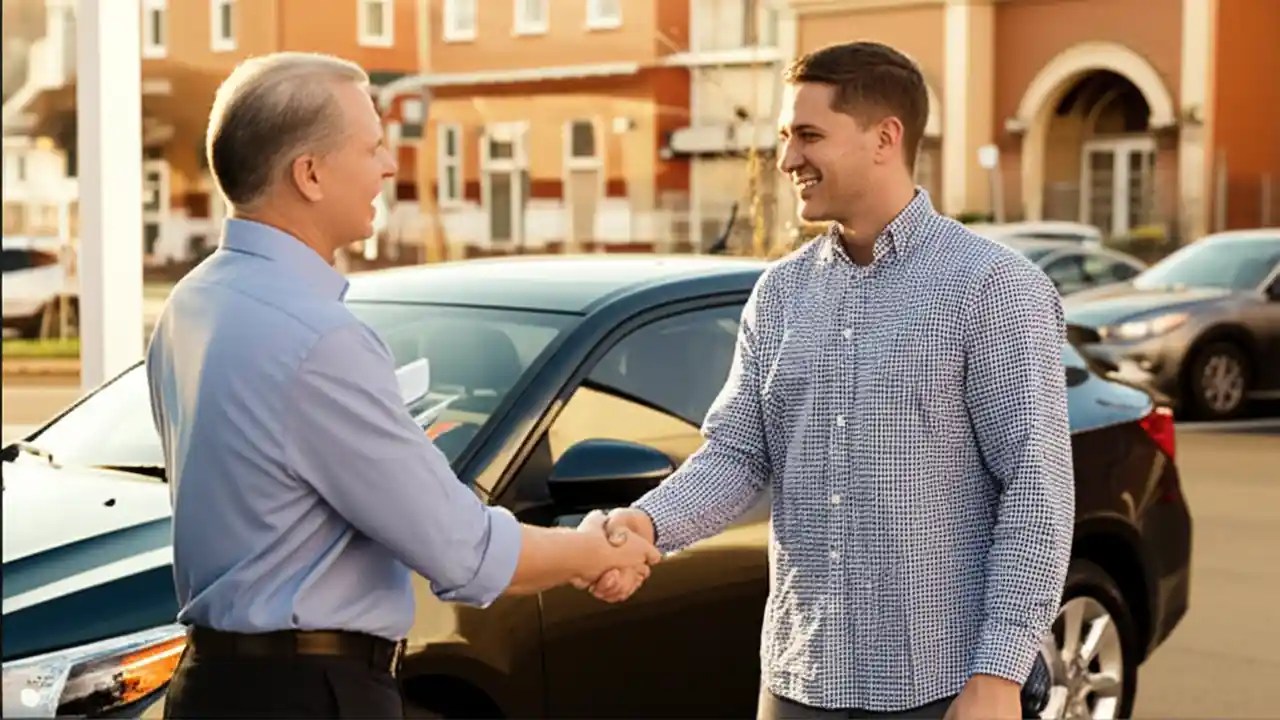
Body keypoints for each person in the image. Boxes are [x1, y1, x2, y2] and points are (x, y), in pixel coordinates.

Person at [145, 52, 658, 719]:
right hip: (310, 695)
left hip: (212, 686)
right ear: (310, 174)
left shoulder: (190, 303)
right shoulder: (319, 338)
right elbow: (462, 552)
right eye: (374, 147)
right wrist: (593, 549)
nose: (389, 167)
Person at [587, 41, 1073, 719]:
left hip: (943, 685)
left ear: (885, 138)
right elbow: (737, 454)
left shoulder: (991, 288)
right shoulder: (781, 293)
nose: (788, 159)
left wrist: (998, 671)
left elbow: (1037, 488)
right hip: (800, 678)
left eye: (809, 135)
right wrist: (646, 524)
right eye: (786, 136)